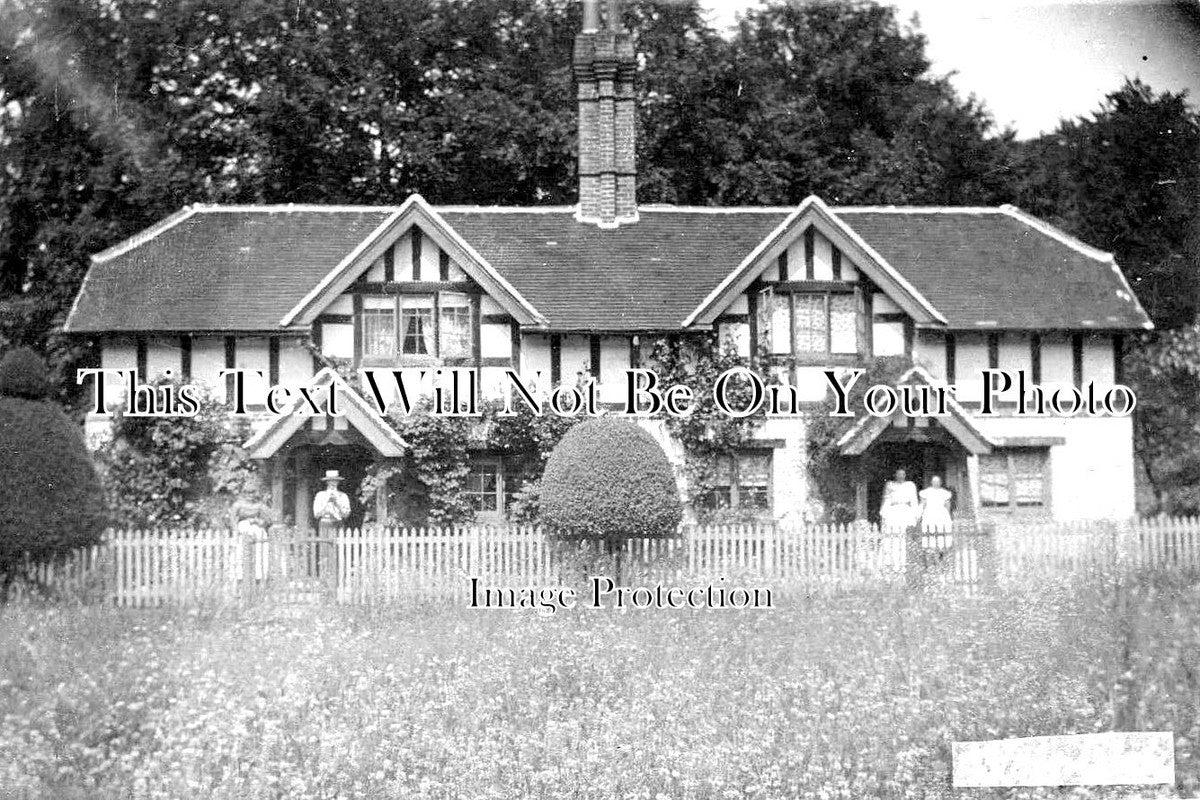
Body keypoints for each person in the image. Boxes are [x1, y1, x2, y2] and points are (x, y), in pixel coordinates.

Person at [312, 469, 351, 535]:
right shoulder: (320, 495)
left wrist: (337, 503)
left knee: (339, 544)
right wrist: (326, 502)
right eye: (330, 481)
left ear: (338, 482)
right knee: (325, 544)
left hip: (339, 523)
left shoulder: (343, 496)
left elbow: (346, 515)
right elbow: (316, 515)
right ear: (327, 482)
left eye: (335, 481)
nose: (333, 483)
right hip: (325, 523)